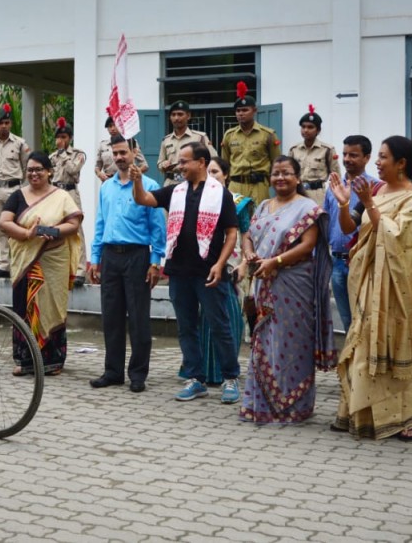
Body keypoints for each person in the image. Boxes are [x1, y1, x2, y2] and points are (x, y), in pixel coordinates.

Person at [329, 137, 412, 440]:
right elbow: (353, 229)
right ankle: (357, 413)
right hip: (366, 280)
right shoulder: (375, 190)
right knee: (362, 345)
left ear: (401, 163)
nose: (377, 162)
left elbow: (396, 237)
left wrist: (371, 204)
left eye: (383, 157)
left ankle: (406, 418)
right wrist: (343, 203)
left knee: (395, 344)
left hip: (395, 286)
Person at [132, 141, 241, 403]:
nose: (179, 166)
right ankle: (195, 379)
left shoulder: (220, 194)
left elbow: (231, 233)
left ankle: (230, 378)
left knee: (219, 326)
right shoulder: (175, 191)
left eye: (184, 161)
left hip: (209, 271)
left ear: (201, 163)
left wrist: (220, 263)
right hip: (179, 270)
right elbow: (143, 199)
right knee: (186, 327)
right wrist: (137, 180)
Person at [238, 156, 336, 425]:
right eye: (276, 173)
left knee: (291, 343)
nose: (280, 178)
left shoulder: (307, 208)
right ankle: (260, 405)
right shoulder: (264, 206)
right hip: (264, 282)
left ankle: (294, 407)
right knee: (264, 343)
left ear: (297, 177)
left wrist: (275, 261)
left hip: (294, 284)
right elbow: (248, 235)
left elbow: (308, 245)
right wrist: (248, 255)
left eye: (286, 174)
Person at [88, 135, 166, 393]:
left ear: (134, 152)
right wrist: (95, 259)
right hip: (110, 256)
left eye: (124, 152)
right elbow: (100, 224)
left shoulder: (149, 185)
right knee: (111, 316)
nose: (119, 157)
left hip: (137, 256)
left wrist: (155, 261)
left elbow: (157, 228)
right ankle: (112, 371)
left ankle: (138, 374)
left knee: (138, 317)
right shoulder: (107, 187)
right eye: (116, 153)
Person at [0, 151, 83, 376]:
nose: (34, 174)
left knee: (52, 306)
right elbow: (4, 223)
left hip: (54, 259)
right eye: (30, 170)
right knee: (24, 306)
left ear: (49, 172)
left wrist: (54, 231)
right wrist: (28, 234)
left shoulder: (62, 196)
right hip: (26, 260)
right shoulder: (18, 196)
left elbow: (74, 223)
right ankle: (26, 361)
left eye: (39, 169)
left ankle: (52, 360)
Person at [192, 156, 252, 383]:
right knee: (204, 318)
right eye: (207, 172)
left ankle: (226, 371)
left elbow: (247, 235)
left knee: (230, 316)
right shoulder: (199, 200)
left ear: (226, 174)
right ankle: (203, 370)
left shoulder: (239, 203)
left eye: (215, 171)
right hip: (204, 266)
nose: (211, 176)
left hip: (232, 266)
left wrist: (245, 264)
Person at [322, 135, 381, 332]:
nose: (347, 159)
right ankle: (352, 361)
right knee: (347, 321)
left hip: (363, 261)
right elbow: (326, 221)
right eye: (345, 154)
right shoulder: (333, 187)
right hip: (338, 261)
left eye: (354, 155)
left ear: (367, 157)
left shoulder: (376, 188)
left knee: (365, 319)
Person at [0, 103, 31, 279]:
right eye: (0, 123)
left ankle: (19, 263)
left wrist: (16, 184)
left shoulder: (20, 143)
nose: (4, 126)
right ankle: (3, 265)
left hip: (14, 189)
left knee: (16, 227)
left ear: (10, 124)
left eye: (7, 122)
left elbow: (27, 167)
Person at [220, 81, 280, 204]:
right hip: (236, 185)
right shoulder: (229, 135)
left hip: (259, 185)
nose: (241, 114)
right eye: (238, 111)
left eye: (245, 110)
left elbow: (276, 161)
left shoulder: (267, 134)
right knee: (236, 219)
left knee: (259, 218)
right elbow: (224, 164)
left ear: (254, 110)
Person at [49, 118, 88, 287]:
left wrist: (63, 154)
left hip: (71, 192)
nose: (61, 140)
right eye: (58, 137)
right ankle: (63, 268)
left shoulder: (78, 154)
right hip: (56, 193)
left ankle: (80, 270)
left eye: (64, 137)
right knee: (57, 228)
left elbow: (73, 170)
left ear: (69, 138)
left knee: (76, 229)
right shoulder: (51, 157)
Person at [288, 105, 340, 205]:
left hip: (318, 195)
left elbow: (336, 177)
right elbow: (289, 173)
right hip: (297, 193)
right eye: (303, 127)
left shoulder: (327, 150)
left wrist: (335, 198)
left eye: (310, 127)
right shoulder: (294, 150)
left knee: (317, 219)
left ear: (318, 130)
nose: (306, 130)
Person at [157, 101, 216, 187]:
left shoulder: (199, 137)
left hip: (194, 183)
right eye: (173, 115)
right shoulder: (166, 140)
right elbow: (159, 163)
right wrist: (163, 165)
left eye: (180, 114)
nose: (176, 118)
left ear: (188, 116)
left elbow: (213, 159)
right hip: (171, 183)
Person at [95, 117, 149, 181]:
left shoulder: (130, 142)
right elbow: (97, 166)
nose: (112, 129)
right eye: (110, 126)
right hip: (108, 181)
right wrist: (99, 174)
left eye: (115, 125)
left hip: (127, 181)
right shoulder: (103, 145)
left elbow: (144, 165)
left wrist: (134, 173)